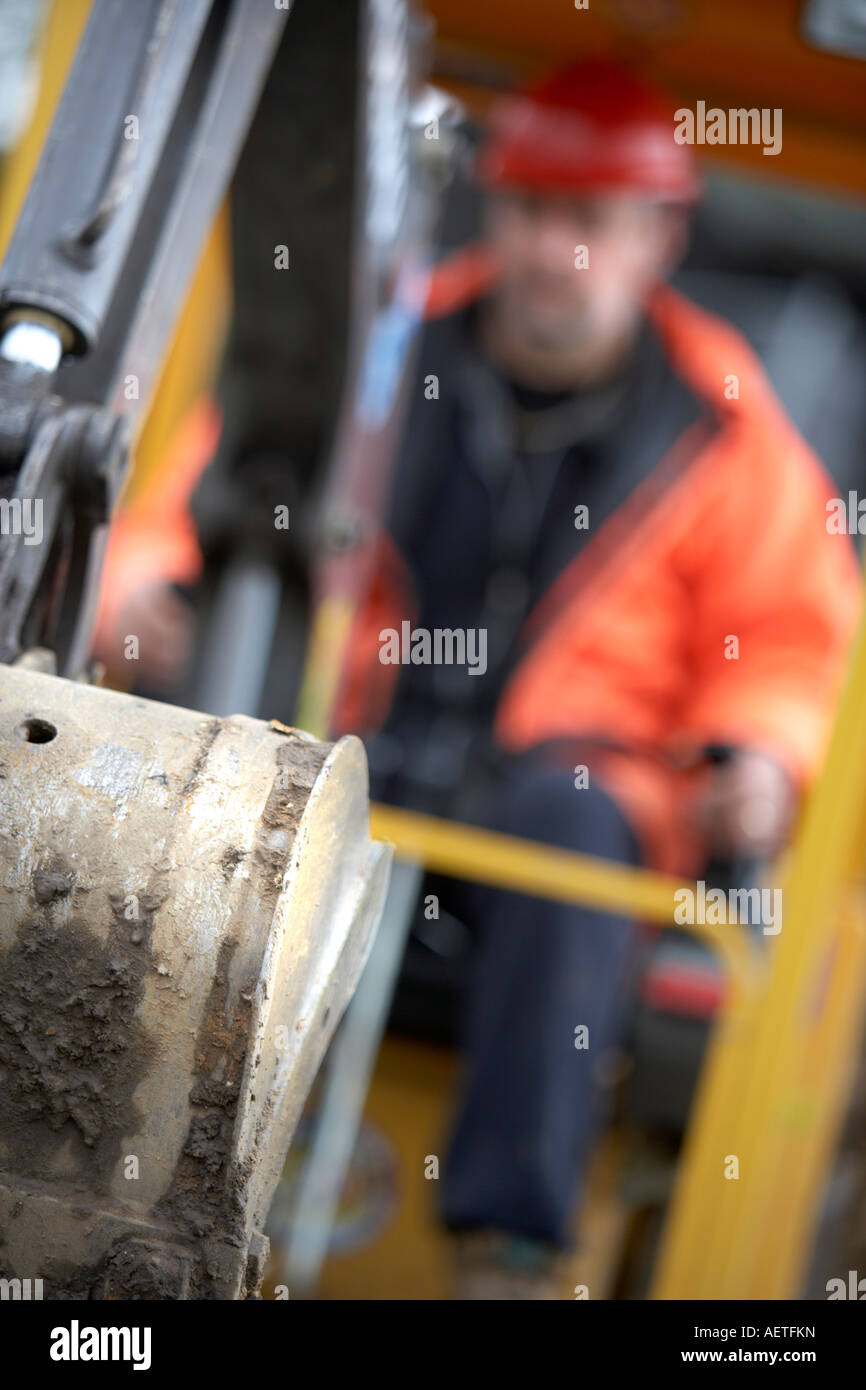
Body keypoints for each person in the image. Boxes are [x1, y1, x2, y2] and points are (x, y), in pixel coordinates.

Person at [93, 59, 861, 1298]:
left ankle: (503, 1252)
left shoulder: (730, 433)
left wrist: (760, 758)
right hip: (352, 761)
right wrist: (140, 603)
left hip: (558, 814)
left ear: (658, 235)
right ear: (489, 209)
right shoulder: (374, 361)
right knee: (228, 783)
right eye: (531, 208)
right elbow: (195, 508)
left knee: (563, 817)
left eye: (590, 220)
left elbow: (788, 638)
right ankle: (139, 1184)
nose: (554, 247)